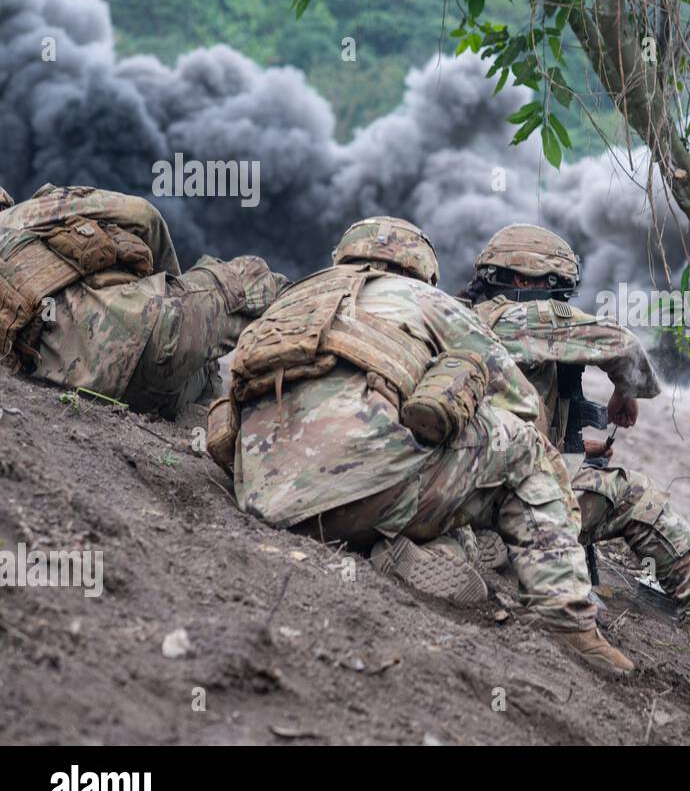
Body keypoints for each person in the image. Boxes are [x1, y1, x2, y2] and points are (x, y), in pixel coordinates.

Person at [209, 216, 634, 676]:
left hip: (266, 503)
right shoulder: (427, 300)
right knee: (524, 448)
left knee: (412, 456)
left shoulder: (290, 301)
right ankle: (567, 619)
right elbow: (519, 403)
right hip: (370, 493)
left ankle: (430, 550)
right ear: (422, 269)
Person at [460, 224, 690, 658]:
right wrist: (625, 390)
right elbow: (621, 345)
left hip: (460, 497)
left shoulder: (456, 317)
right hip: (513, 509)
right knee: (636, 496)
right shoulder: (524, 316)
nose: (559, 303)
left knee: (585, 471)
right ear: (522, 281)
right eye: (554, 291)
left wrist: (572, 450)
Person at [0, 184, 281, 418]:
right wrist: (173, 289)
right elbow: (143, 216)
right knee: (254, 275)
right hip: (149, 334)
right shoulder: (22, 216)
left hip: (111, 391)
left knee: (203, 377)